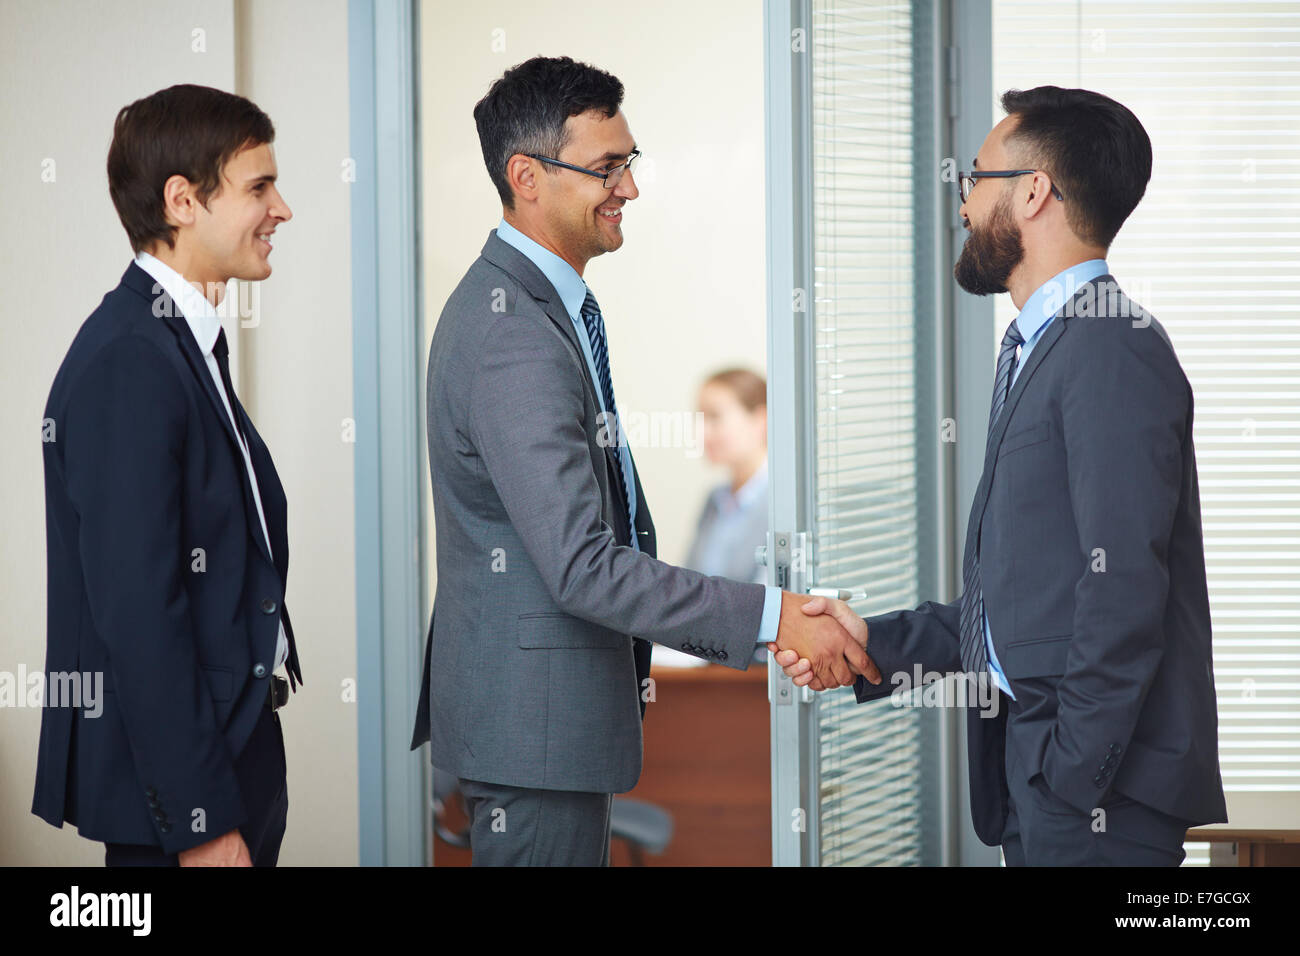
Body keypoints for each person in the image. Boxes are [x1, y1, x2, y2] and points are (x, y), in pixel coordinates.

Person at [409, 56, 878, 866]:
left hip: (543, 737)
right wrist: (773, 618)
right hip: (532, 743)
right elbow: (583, 565)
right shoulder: (513, 334)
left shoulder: (541, 310)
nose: (629, 187)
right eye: (606, 168)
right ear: (526, 176)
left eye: (630, 162)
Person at [775, 86, 1227, 865]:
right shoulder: (1045, 349)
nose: (962, 205)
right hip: (1044, 783)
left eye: (972, 180)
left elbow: (1122, 590)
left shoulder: (1108, 347)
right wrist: (871, 642)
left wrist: (1071, 777)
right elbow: (1024, 606)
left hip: (1094, 802)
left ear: (1031, 192)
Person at [32, 84, 299, 867]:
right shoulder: (130, 360)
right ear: (183, 200)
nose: (281, 209)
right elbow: (139, 613)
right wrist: (204, 821)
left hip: (232, 753)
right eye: (259, 187)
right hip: (184, 797)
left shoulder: (181, 342)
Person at [683, 368, 770, 587]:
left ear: (761, 420)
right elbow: (688, 585)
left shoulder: (782, 504)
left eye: (715, 417)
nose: (703, 432)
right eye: (700, 418)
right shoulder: (714, 500)